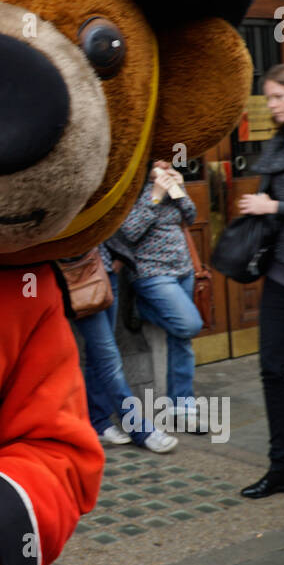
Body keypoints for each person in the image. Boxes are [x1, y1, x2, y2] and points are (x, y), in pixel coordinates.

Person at [238, 63, 284, 499]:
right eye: (267, 98)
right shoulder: (277, 142)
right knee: (271, 369)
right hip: (281, 276)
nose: (272, 106)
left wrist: (276, 208)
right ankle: (281, 466)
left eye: (279, 97)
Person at [118, 160, 203, 434]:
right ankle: (142, 307)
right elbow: (128, 232)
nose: (164, 166)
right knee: (188, 324)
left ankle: (183, 407)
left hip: (183, 268)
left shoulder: (171, 182)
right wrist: (155, 195)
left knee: (182, 339)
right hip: (152, 271)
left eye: (166, 162)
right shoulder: (133, 189)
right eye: (157, 163)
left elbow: (190, 215)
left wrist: (178, 190)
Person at [75, 240, 176, 453]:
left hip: (105, 269)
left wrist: (117, 256)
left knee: (99, 354)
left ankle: (99, 422)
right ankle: (141, 429)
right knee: (108, 357)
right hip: (78, 274)